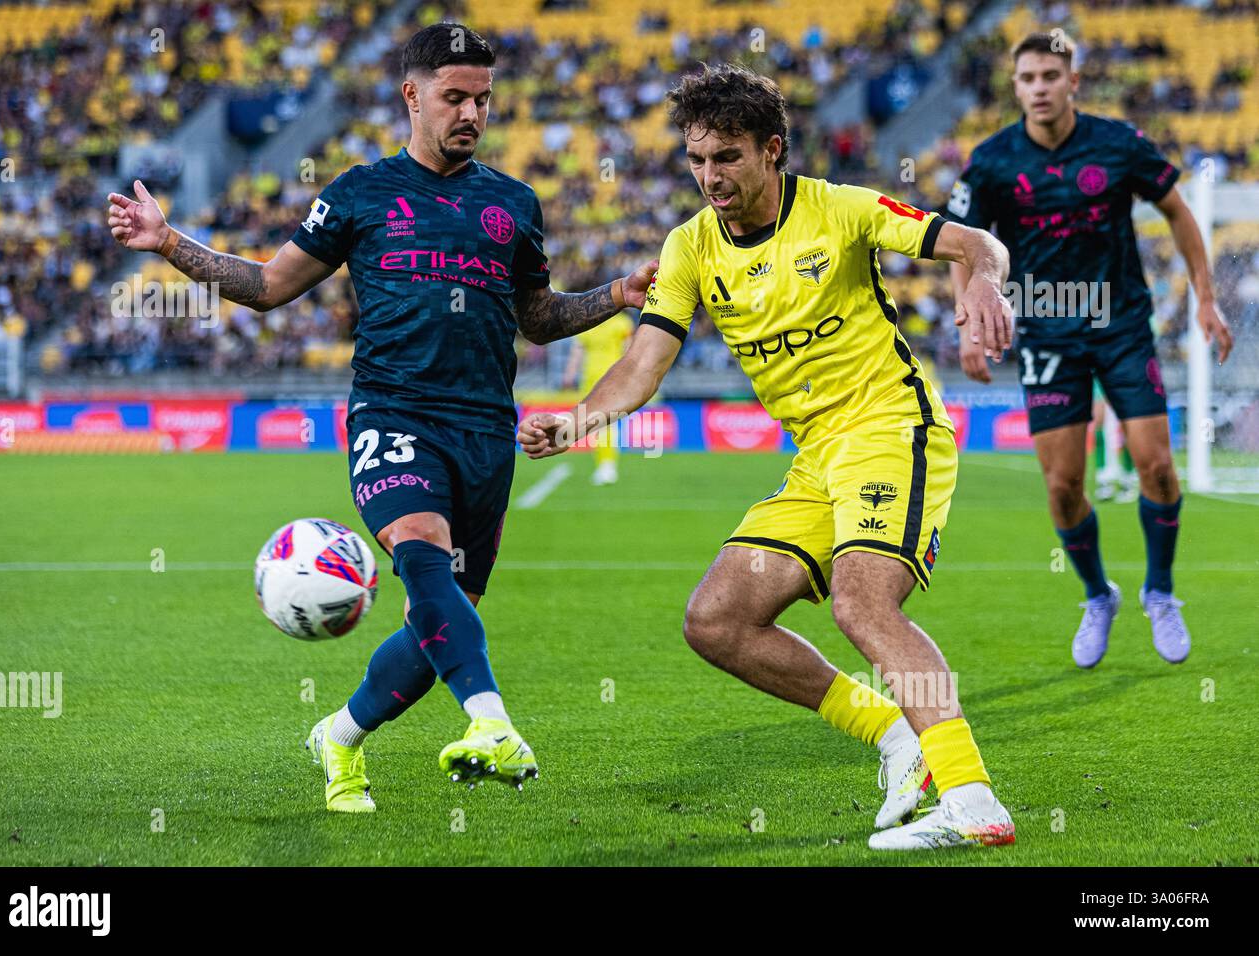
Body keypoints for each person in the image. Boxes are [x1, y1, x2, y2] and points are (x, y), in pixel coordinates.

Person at [106, 22, 656, 811]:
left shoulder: (513, 203)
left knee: (443, 623)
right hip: (393, 414)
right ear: (412, 95)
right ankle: (493, 722)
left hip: (484, 433)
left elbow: (536, 317)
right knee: (424, 561)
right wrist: (169, 243)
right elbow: (268, 285)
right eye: (454, 97)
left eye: (483, 99)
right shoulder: (361, 193)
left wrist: (614, 296)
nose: (471, 112)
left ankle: (339, 736)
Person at [520, 64, 1017, 851]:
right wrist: (577, 420)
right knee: (718, 621)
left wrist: (984, 283)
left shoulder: (840, 209)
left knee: (862, 605)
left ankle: (973, 800)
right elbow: (644, 366)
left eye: (728, 158)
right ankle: (897, 737)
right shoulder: (688, 248)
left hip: (892, 428)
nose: (710, 177)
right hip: (816, 457)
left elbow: (974, 242)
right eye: (697, 160)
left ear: (772, 150)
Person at [943, 31, 1233, 669]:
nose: (1040, 87)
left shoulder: (1118, 143)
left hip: (1123, 324)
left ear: (1073, 82)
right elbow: (961, 242)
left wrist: (1205, 298)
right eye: (1028, 78)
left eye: (1051, 75)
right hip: (1048, 332)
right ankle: (1098, 594)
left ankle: (1160, 591)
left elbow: (1180, 213)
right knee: (1063, 483)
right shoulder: (993, 160)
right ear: (1016, 87)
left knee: (1157, 466)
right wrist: (969, 320)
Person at [562, 312, 635, 484]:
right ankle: (606, 464)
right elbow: (629, 351)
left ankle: (606, 465)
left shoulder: (587, 321)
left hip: (592, 379)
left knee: (600, 424)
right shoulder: (622, 322)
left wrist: (569, 375)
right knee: (605, 423)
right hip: (612, 377)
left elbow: (577, 353)